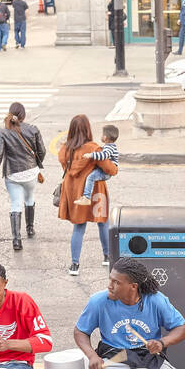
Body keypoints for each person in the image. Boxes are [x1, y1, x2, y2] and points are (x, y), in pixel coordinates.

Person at [58, 114, 117, 275]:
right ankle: (107, 256)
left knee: (78, 227)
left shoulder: (64, 149)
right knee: (102, 223)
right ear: (87, 129)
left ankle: (75, 264)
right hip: (96, 192)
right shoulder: (93, 148)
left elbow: (65, 166)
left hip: (75, 192)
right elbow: (110, 169)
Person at [0, 102, 45, 252]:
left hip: (12, 173)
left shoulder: (3, 131)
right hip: (30, 172)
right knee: (29, 198)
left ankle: (17, 240)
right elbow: (42, 151)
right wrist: (36, 164)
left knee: (15, 204)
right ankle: (30, 228)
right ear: (24, 115)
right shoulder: (33, 129)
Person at [73, 124, 119, 209]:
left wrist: (91, 155)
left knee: (91, 177)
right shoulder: (110, 146)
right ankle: (85, 196)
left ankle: (86, 197)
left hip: (106, 172)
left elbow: (103, 156)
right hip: (106, 171)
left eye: (102, 135)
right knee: (91, 176)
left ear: (105, 138)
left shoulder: (109, 147)